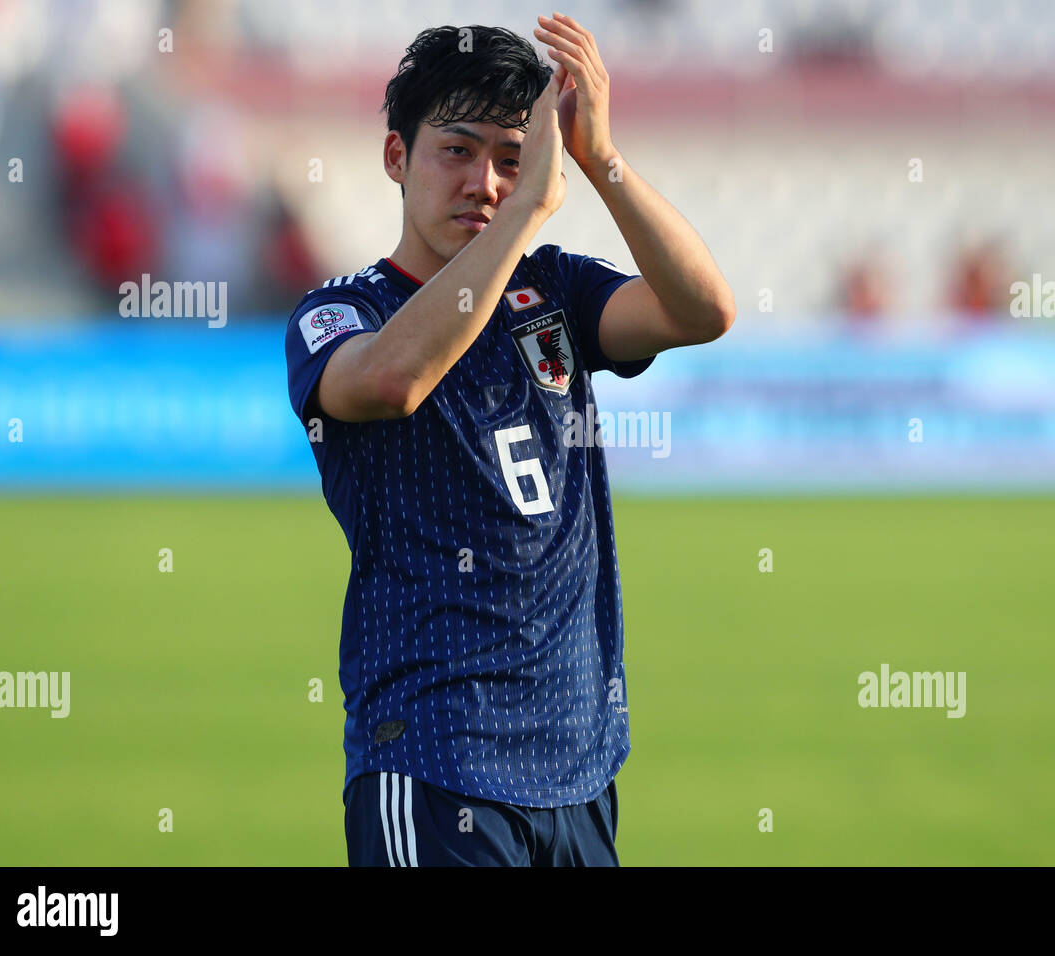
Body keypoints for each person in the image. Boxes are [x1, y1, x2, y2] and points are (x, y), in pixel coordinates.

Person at [283, 18, 734, 866]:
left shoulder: (552, 289)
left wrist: (601, 160)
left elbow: (703, 311)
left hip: (577, 765)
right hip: (434, 761)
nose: (484, 183)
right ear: (395, 158)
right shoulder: (342, 313)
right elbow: (388, 382)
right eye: (456, 150)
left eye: (510, 158)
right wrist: (524, 213)